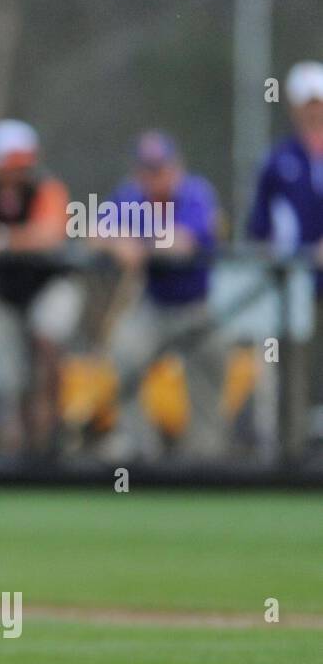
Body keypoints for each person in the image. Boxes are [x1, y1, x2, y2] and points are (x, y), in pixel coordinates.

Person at [0, 119, 81, 457]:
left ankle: (52, 429)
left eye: (22, 164)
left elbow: (49, 234)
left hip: (50, 285)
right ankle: (15, 447)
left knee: (48, 337)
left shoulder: (46, 189)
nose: (17, 172)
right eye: (10, 164)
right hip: (0, 294)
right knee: (5, 378)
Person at [94, 131, 226, 460]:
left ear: (176, 167)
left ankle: (203, 463)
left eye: (161, 168)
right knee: (123, 357)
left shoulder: (196, 192)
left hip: (198, 306)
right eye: (147, 170)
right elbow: (94, 233)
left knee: (211, 371)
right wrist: (115, 241)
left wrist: (139, 243)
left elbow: (183, 242)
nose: (155, 177)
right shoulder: (130, 196)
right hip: (153, 305)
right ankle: (142, 454)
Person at [247, 60, 323, 456]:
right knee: (288, 365)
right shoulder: (279, 160)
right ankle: (291, 456)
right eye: (308, 103)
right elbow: (259, 227)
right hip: (296, 282)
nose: (315, 111)